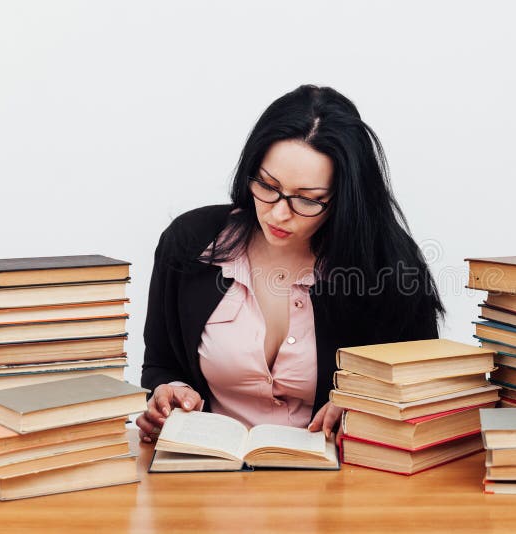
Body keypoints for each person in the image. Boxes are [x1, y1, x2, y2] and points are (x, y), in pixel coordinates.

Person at [137, 85, 444, 443]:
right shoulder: (189, 243)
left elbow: (421, 388)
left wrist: (366, 406)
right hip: (207, 475)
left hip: (339, 483)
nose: (280, 213)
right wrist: (168, 393)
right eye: (267, 186)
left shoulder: (390, 266)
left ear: (343, 199)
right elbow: (161, 363)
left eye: (308, 200)